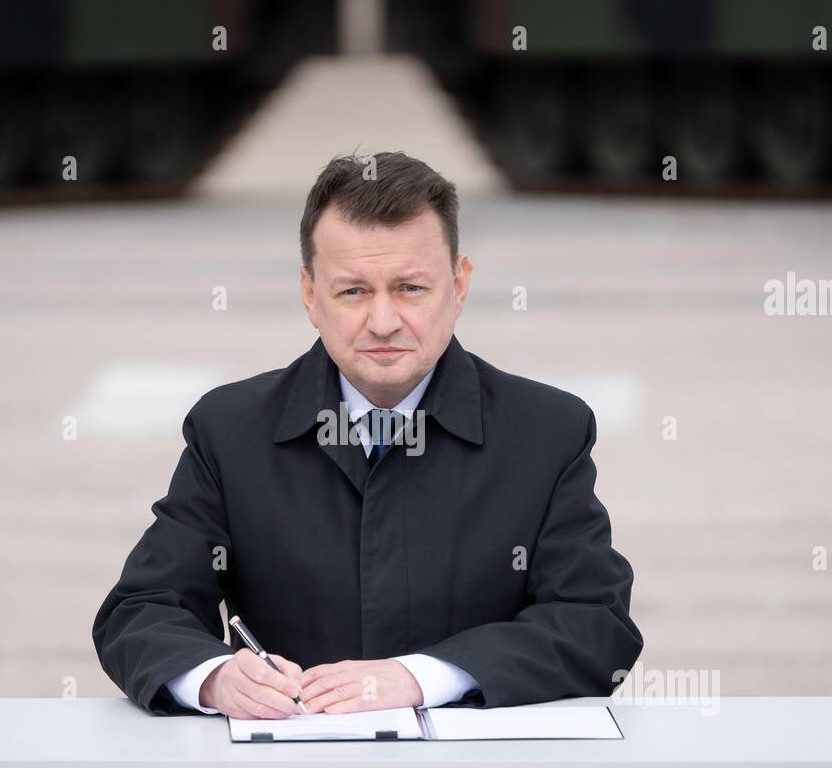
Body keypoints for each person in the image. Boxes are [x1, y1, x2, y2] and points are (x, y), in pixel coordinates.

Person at [92, 151, 642, 719]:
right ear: (310, 293)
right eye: (352, 291)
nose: (383, 322)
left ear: (458, 284)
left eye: (410, 288)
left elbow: (595, 626)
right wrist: (214, 678)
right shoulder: (228, 431)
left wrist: (421, 676)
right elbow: (141, 610)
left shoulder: (548, 432)